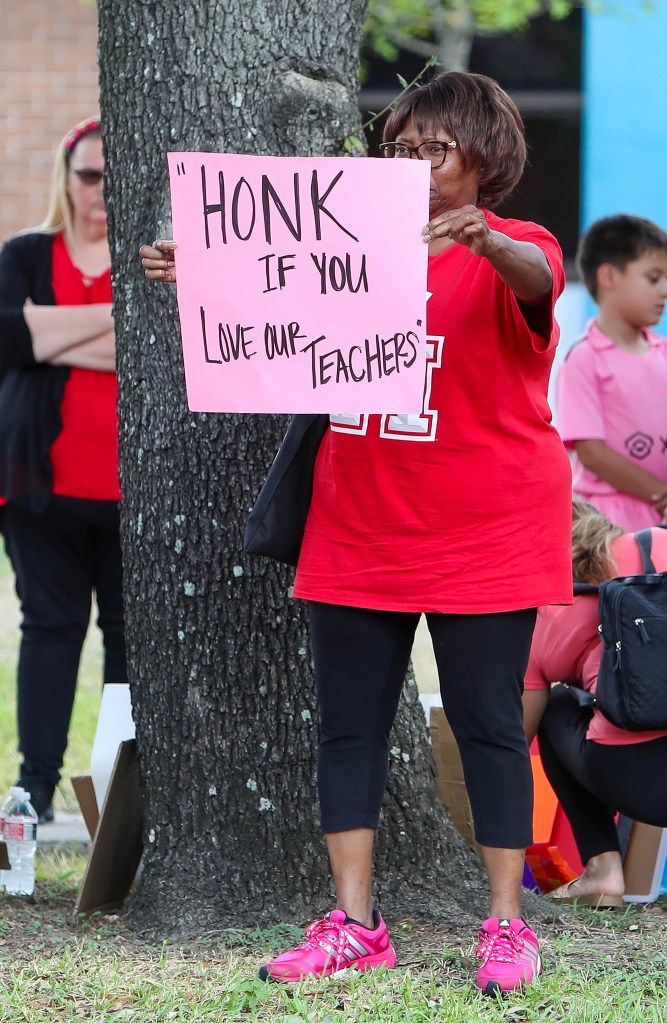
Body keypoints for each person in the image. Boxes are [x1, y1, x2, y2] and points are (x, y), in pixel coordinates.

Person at [140, 71, 572, 995]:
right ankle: (353, 920)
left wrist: (487, 240)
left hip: (481, 530)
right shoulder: (350, 243)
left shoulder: (517, 245)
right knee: (349, 727)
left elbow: (537, 283)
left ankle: (504, 923)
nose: (412, 164)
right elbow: (272, 294)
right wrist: (209, 270)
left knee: (490, 722)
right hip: (359, 521)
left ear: (482, 160)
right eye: (401, 147)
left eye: (434, 150)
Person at [0, 118, 126, 823]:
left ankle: (118, 797)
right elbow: (7, 338)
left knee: (129, 642)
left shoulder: (153, 259)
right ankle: (36, 789)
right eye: (88, 175)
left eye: (112, 175)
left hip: (131, 497)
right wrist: (116, 319)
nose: (99, 191)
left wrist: (51, 332)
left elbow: (158, 354)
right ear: (66, 176)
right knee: (49, 630)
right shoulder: (25, 253)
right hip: (38, 485)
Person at [524, 500, 667, 905]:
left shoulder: (548, 615)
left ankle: (603, 871)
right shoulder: (659, 540)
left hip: (641, 786)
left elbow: (516, 740)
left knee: (556, 706)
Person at [556, 214, 667, 532]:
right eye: (653, 278)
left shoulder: (664, 352)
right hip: (610, 524)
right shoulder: (585, 358)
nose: (664, 290)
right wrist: (660, 494)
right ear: (609, 277)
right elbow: (592, 452)